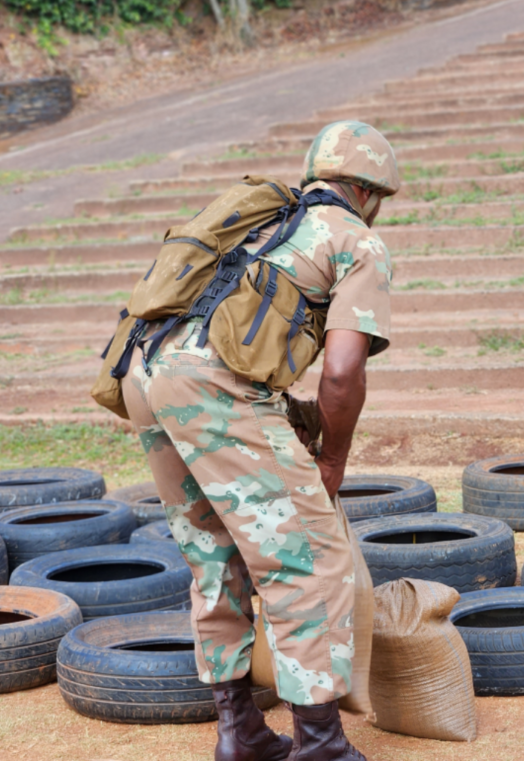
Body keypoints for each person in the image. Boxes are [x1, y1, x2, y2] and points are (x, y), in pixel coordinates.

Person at [121, 121, 400, 761]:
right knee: (307, 557)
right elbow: (341, 371)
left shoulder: (259, 223)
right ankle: (321, 744)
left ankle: (240, 731)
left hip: (145, 372)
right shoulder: (357, 239)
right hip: (213, 387)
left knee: (212, 550)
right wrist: (332, 457)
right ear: (368, 190)